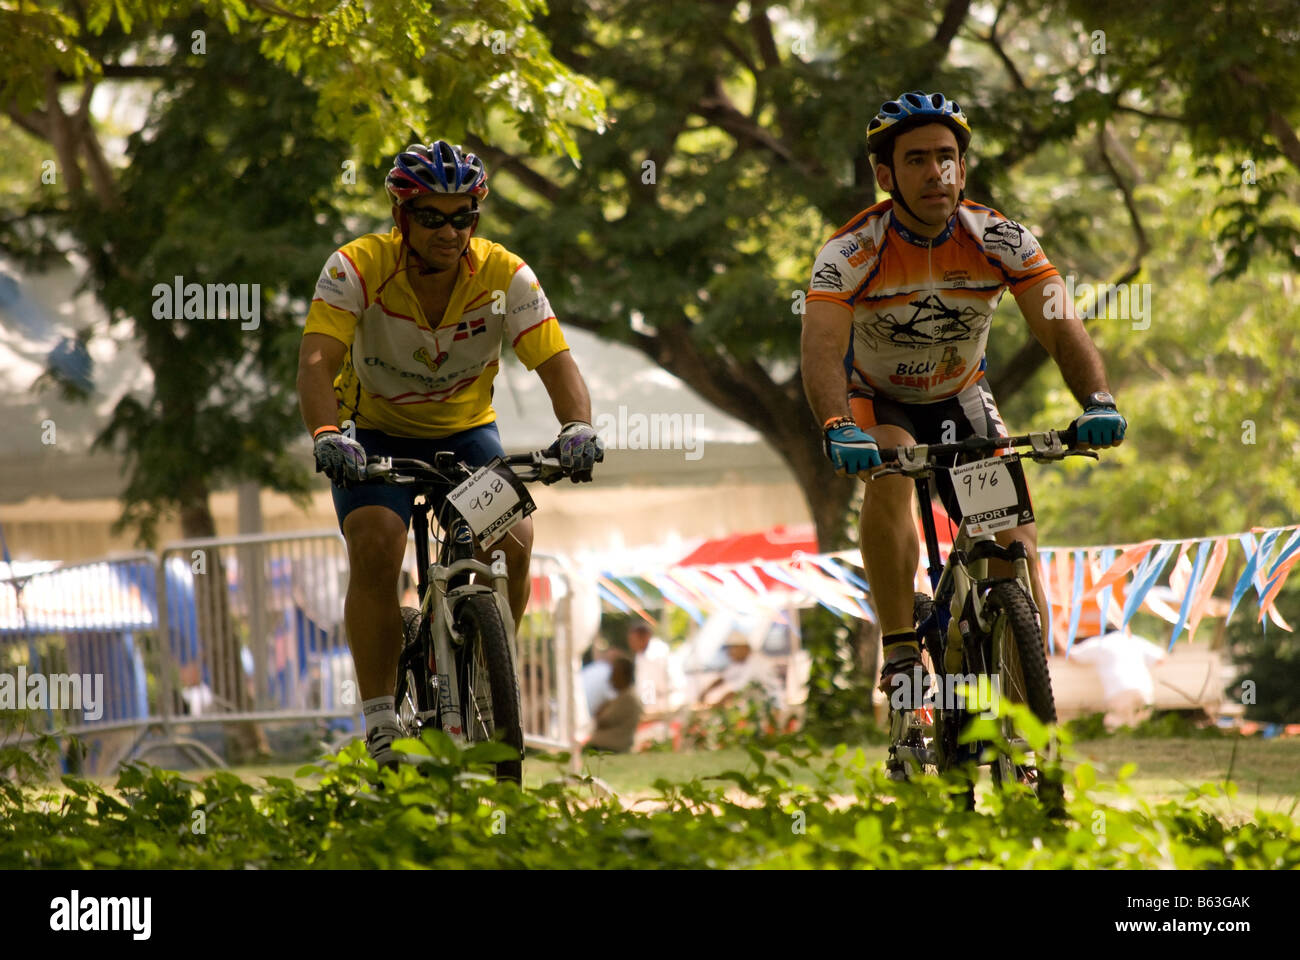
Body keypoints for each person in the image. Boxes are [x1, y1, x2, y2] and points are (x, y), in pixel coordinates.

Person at [800, 91, 1128, 695]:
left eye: (947, 157)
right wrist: (835, 425)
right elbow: (821, 348)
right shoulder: (851, 251)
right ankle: (900, 651)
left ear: (963, 168)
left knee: (1015, 546)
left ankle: (1025, 687)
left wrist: (1099, 400)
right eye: (918, 159)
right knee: (891, 472)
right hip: (879, 400)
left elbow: (1059, 323)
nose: (936, 173)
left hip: (961, 399)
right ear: (885, 176)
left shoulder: (1000, 238)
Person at [297, 141, 604, 769]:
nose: (449, 230)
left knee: (514, 535)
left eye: (463, 215)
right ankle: (382, 720)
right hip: (373, 430)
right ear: (401, 215)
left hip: (464, 431)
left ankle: (495, 671)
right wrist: (328, 435)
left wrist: (577, 425)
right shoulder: (355, 267)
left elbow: (556, 362)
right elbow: (317, 360)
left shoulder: (505, 275)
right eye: (432, 216)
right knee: (377, 541)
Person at [584, 655, 642, 754]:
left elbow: (602, 720)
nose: (611, 677)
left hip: (609, 748)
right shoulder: (622, 697)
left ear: (624, 675)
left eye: (615, 673)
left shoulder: (627, 698)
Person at [627, 621, 685, 715]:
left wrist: (645, 711)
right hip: (654, 706)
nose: (631, 644)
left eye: (634, 640)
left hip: (666, 704)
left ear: (646, 637)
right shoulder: (641, 655)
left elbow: (649, 687)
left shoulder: (656, 653)